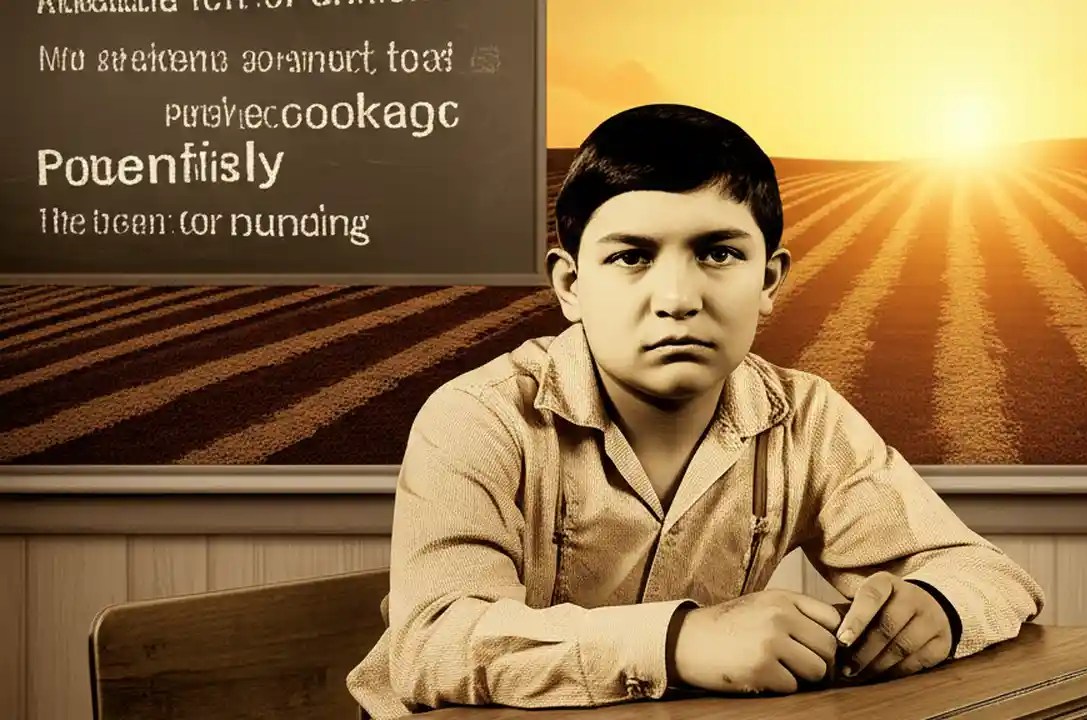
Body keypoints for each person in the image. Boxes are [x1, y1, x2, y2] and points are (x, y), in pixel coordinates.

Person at [346, 103, 1045, 719]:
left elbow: (984, 573)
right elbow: (431, 645)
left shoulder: (806, 418)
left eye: (717, 253)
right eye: (631, 257)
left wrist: (940, 609)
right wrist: (680, 641)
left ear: (769, 280)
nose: (677, 298)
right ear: (570, 284)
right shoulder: (478, 417)